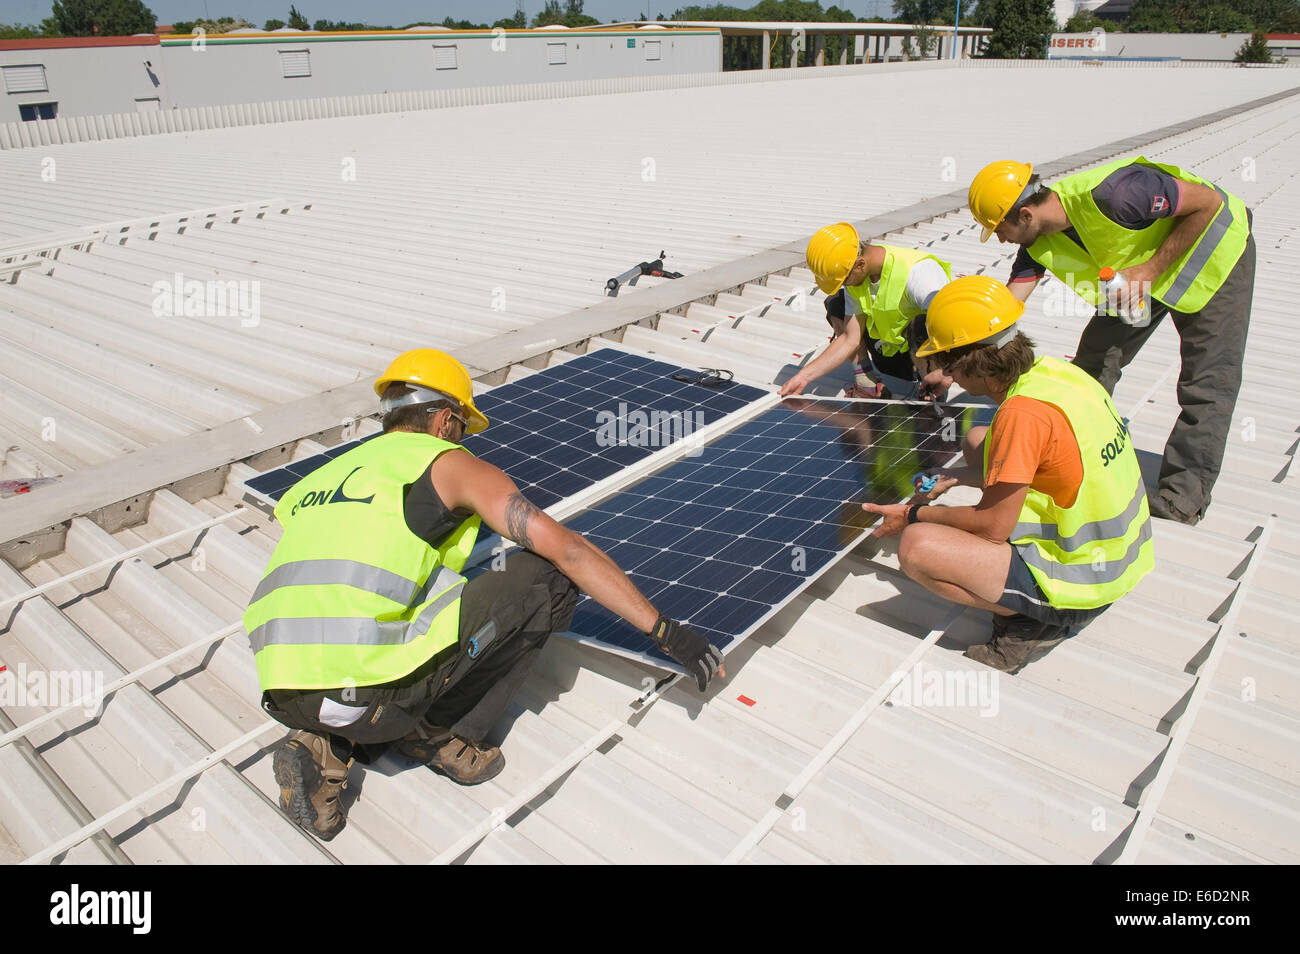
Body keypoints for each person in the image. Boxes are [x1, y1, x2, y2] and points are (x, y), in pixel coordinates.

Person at [243, 349, 724, 841]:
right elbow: (570, 552)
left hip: (280, 688)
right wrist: (664, 630)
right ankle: (438, 733)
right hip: (365, 700)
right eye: (464, 428)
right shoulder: (450, 466)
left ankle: (322, 743)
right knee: (546, 578)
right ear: (447, 420)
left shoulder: (324, 478)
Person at [863, 277, 1154, 674]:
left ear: (967, 363)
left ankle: (1038, 623)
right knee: (980, 438)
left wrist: (910, 515)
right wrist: (957, 478)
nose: (950, 379)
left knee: (917, 547)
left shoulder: (1022, 415)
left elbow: (991, 528)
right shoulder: (1059, 373)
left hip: (1080, 580)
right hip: (1120, 553)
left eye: (947, 367)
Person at [969, 157, 1255, 526]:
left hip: (1212, 257)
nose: (1000, 239)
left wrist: (1148, 271)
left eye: (999, 229)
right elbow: (1007, 306)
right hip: (1139, 278)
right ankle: (1064, 454)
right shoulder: (1038, 243)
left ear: (1025, 214)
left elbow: (1209, 205)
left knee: (1207, 380)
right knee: (1092, 363)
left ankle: (1182, 498)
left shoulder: (1119, 194)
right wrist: (958, 347)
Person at [781, 223, 952, 400]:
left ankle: (932, 391)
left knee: (928, 321)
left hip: (918, 361)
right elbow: (849, 338)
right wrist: (803, 377)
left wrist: (949, 371)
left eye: (844, 280)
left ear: (860, 264)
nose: (845, 285)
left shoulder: (919, 272)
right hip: (885, 354)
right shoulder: (856, 275)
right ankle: (867, 383)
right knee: (836, 303)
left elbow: (954, 327)